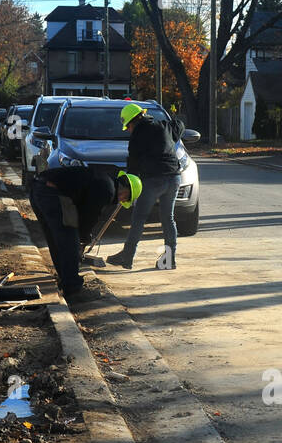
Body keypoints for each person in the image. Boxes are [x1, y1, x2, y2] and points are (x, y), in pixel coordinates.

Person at [30, 164, 140, 299]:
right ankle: (73, 289)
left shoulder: (103, 181)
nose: (121, 201)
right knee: (69, 238)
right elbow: (89, 217)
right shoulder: (107, 190)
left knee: (56, 238)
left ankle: (65, 279)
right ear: (125, 192)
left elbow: (82, 212)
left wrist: (81, 238)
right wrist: (82, 240)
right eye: (125, 199)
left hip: (38, 188)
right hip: (54, 193)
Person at [107, 102, 184, 270]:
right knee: (168, 218)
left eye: (127, 126)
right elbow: (179, 124)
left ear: (134, 121)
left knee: (139, 218)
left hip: (153, 180)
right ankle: (169, 260)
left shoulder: (137, 137)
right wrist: (173, 132)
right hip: (174, 177)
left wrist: (127, 188)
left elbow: (133, 168)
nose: (127, 130)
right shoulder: (164, 126)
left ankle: (127, 257)